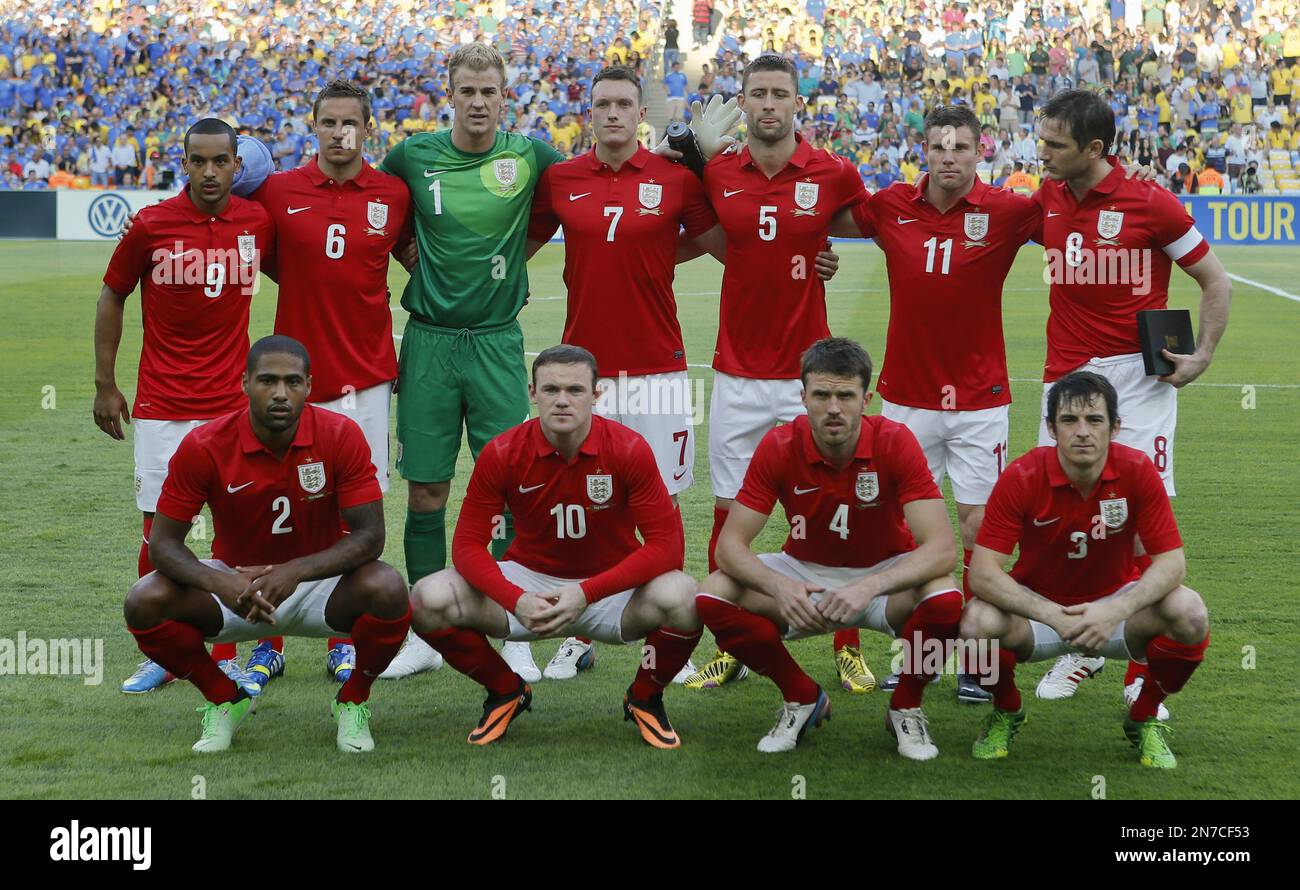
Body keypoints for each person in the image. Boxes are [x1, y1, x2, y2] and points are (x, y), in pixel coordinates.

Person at [679, 55, 877, 694]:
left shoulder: (831, 170)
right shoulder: (717, 171)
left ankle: (846, 644)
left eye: (779, 94)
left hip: (808, 377)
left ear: (798, 103)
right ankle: (731, 643)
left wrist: (825, 253)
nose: (768, 104)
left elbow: (861, 221)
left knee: (835, 507)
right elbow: (704, 228)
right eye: (757, 94)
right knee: (729, 511)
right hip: (737, 372)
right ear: (743, 100)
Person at [831, 105, 1042, 703]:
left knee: (980, 528)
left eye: (961, 147)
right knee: (899, 531)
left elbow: (1078, 227)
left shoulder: (1010, 211)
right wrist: (816, 259)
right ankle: (916, 649)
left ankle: (977, 655)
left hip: (980, 402)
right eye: (939, 146)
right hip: (905, 400)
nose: (949, 156)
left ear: (981, 151)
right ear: (924, 150)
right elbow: (823, 220)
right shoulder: (891, 205)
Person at [375, 44, 567, 683]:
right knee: (427, 489)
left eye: (489, 91)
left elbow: (589, 190)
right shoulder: (413, 155)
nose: (479, 102)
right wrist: (414, 262)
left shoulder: (531, 155)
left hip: (495, 343)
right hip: (428, 341)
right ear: (449, 95)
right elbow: (376, 209)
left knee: (513, 487)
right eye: (468, 91)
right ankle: (427, 631)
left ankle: (512, 628)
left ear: (504, 96)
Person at [1033, 90, 1230, 710]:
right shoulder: (1046, 197)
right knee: (1064, 516)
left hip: (1139, 384)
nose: (1042, 153)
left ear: (1094, 149)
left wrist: (1201, 356)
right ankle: (1080, 648)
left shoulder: (1151, 200)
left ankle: (1138, 670)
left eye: (1054, 144)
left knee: (1144, 527)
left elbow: (1214, 279)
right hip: (1065, 377)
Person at [122, 336, 410, 753]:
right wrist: (219, 583)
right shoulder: (205, 444)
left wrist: (295, 571)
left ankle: (354, 700)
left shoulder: (340, 434)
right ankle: (223, 699)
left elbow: (371, 537)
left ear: (309, 386)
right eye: (267, 381)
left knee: (389, 589)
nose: (280, 393)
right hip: (236, 585)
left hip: (318, 585)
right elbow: (164, 545)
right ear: (244, 383)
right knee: (143, 600)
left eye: (292, 382)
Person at [409, 346, 700, 748]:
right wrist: (516, 599)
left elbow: (666, 548)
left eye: (575, 390)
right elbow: (467, 547)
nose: (562, 399)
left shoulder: (629, 448)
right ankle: (505, 690)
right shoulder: (503, 452)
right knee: (429, 597)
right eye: (551, 389)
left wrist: (587, 592)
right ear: (532, 392)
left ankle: (645, 698)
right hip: (530, 584)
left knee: (685, 597)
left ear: (597, 395)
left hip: (609, 589)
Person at [697, 338, 961, 759]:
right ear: (802, 396)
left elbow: (943, 549)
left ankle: (906, 705)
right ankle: (802, 695)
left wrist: (870, 586)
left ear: (866, 399)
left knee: (946, 597)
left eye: (845, 395)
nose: (833, 407)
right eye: (821, 395)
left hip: (883, 578)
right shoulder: (779, 444)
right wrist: (779, 587)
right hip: (804, 573)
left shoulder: (896, 440)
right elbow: (731, 546)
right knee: (712, 594)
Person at [94, 118, 275, 695]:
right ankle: (165, 649)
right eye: (198, 161)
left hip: (231, 406)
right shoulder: (150, 225)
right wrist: (105, 384)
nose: (209, 172)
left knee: (235, 531)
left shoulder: (257, 222)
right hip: (164, 405)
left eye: (220, 161)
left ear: (236, 166)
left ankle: (229, 651)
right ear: (184, 164)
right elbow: (112, 294)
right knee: (158, 532)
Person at [964, 371, 1210, 769]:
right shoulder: (1023, 475)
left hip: (1114, 611)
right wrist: (1053, 616)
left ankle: (1144, 716)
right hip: (1040, 613)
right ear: (1050, 428)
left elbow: (1172, 563)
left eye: (1094, 420)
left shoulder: (1137, 470)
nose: (1082, 432)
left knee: (1190, 611)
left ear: (1115, 427)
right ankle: (1007, 709)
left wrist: (1113, 610)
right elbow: (983, 573)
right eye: (1069, 420)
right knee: (976, 623)